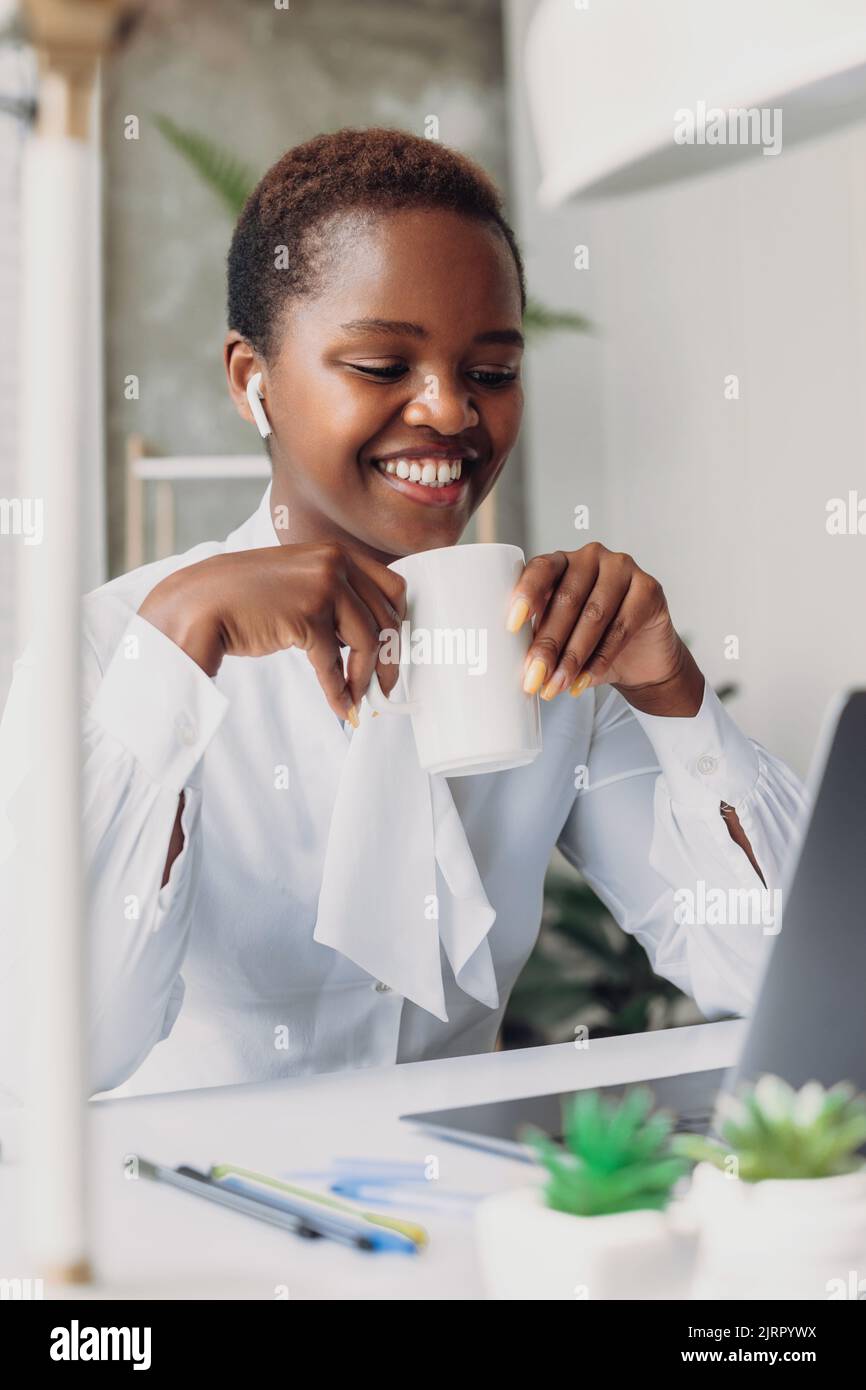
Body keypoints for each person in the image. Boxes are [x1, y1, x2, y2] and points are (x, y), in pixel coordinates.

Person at [0, 129, 806, 1100]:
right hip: (189, 1221)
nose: (450, 412)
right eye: (382, 366)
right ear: (252, 379)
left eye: (491, 372)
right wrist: (171, 653)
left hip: (457, 1214)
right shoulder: (109, 647)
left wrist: (674, 700)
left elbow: (774, 980)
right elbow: (44, 1058)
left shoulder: (550, 652)